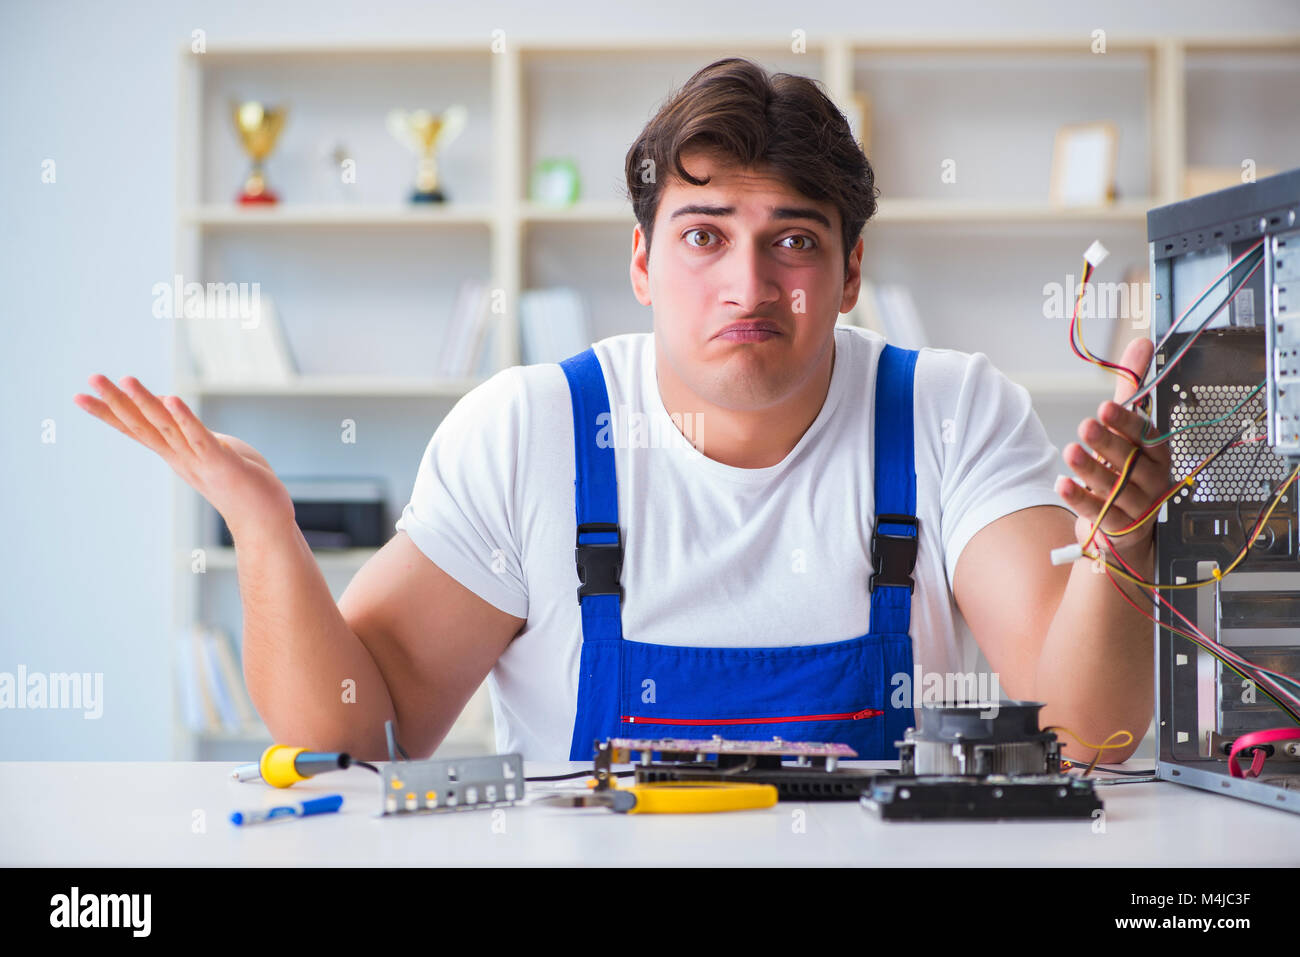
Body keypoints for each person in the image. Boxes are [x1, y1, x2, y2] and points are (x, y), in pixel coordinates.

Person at [75, 58, 1167, 763]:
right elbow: (359, 728)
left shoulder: (946, 412)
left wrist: (1121, 538)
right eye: (703, 235)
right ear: (641, 263)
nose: (748, 284)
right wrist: (264, 526)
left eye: (793, 239)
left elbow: (1087, 733)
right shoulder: (528, 432)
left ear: (849, 271)